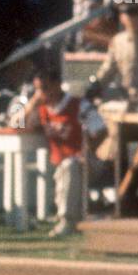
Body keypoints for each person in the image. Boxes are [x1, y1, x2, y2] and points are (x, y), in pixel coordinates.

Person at [22, 66, 87, 238]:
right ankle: (67, 219)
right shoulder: (43, 110)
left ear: (57, 85)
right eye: (36, 89)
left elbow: (101, 131)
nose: (41, 93)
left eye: (44, 88)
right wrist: (32, 103)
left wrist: (88, 151)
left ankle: (67, 221)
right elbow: (16, 125)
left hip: (87, 163)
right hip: (61, 164)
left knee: (70, 165)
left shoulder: (78, 104)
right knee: (66, 167)